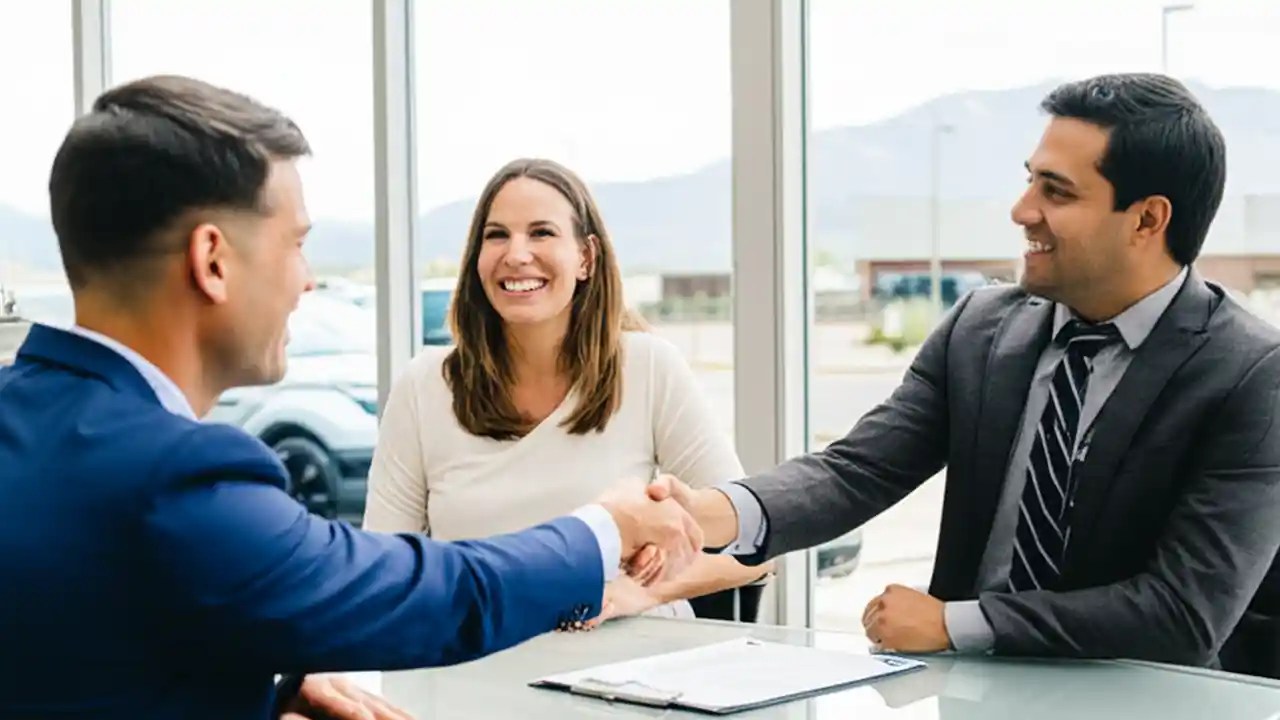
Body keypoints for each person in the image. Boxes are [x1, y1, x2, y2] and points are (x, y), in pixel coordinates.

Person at [0, 75, 704, 720]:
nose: (307, 282)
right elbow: (434, 593)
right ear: (213, 261)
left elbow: (82, 640)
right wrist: (604, 529)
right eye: (296, 244)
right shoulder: (179, 476)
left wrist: (269, 690)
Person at [664, 73, 1280, 676]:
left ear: (1147, 220)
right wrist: (706, 514)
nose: (1022, 210)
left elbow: (1183, 613)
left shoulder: (1251, 372)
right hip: (972, 697)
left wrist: (955, 624)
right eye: (1029, 181)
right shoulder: (979, 328)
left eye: (1056, 192)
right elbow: (860, 470)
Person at [364, 158, 770, 625]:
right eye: (496, 235)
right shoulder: (424, 386)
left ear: (586, 258)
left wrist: (635, 592)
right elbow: (385, 567)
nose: (516, 254)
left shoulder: (649, 367)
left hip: (633, 673)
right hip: (474, 668)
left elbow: (751, 551)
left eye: (541, 233)